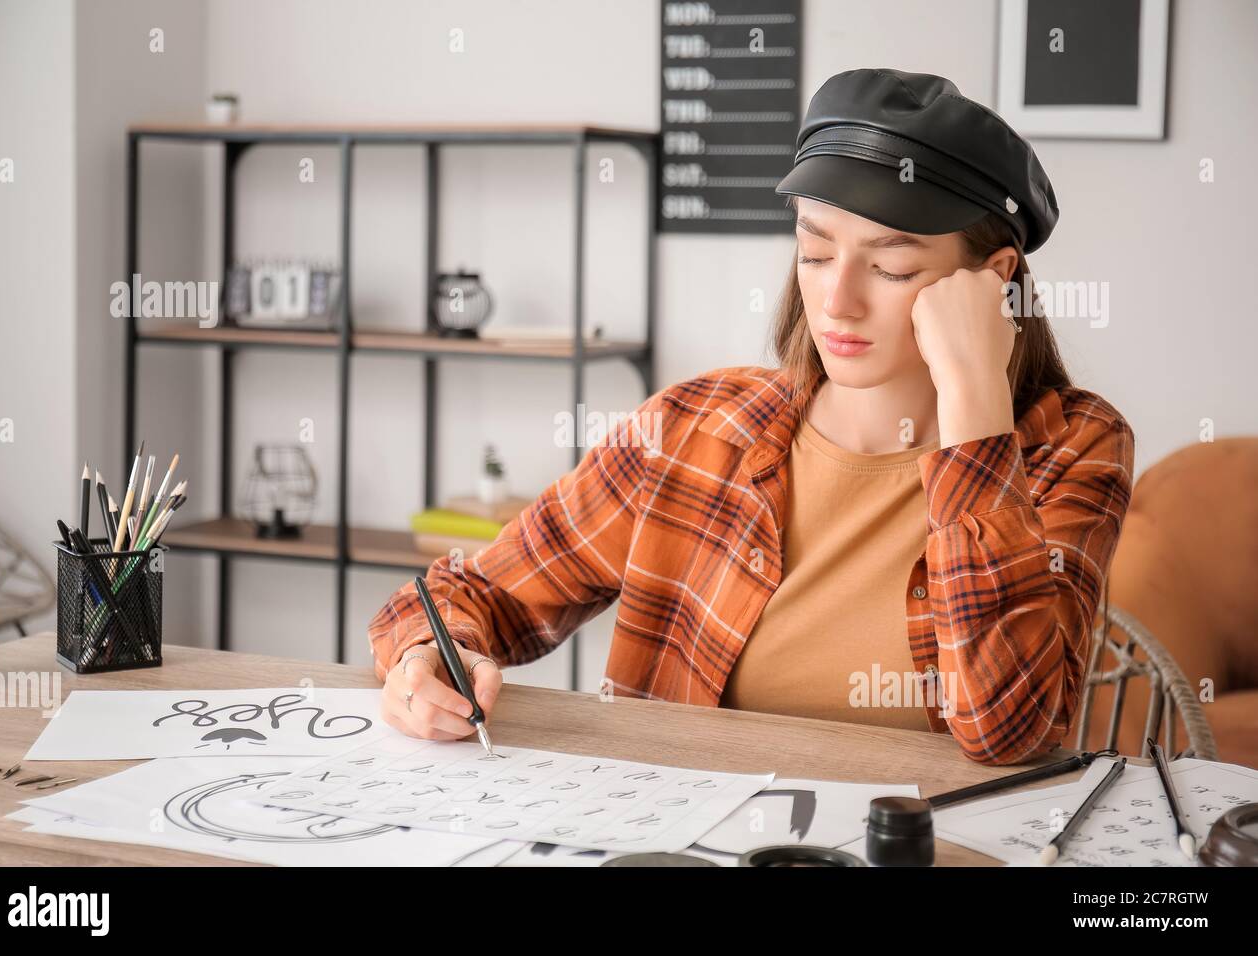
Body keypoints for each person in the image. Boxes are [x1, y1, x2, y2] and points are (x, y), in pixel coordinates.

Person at [368, 68, 1135, 766]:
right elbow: (465, 597)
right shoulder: (693, 428)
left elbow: (1011, 724)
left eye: (891, 267)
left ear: (993, 280)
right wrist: (424, 659)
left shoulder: (1074, 446)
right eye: (815, 252)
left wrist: (974, 400)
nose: (837, 301)